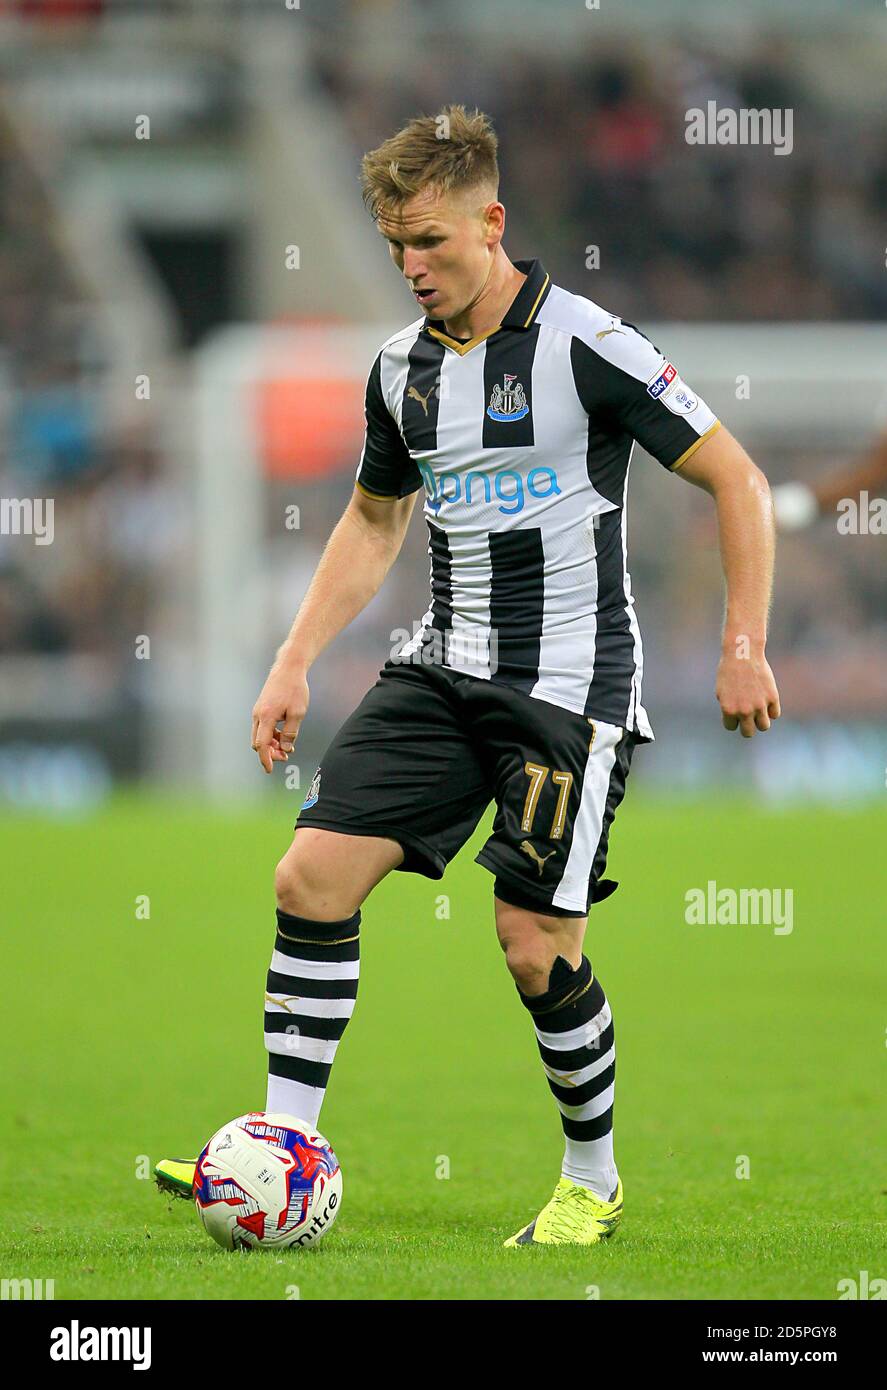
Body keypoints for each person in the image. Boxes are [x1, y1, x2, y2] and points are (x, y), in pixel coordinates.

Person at [156, 104, 780, 1247]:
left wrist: (741, 642)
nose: (411, 266)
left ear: (490, 223)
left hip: (566, 688)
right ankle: (279, 1156)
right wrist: (293, 658)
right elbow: (371, 518)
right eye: (396, 243)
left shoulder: (588, 345)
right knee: (308, 877)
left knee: (532, 941)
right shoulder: (398, 371)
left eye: (431, 241)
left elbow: (735, 480)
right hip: (443, 669)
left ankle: (589, 1180)